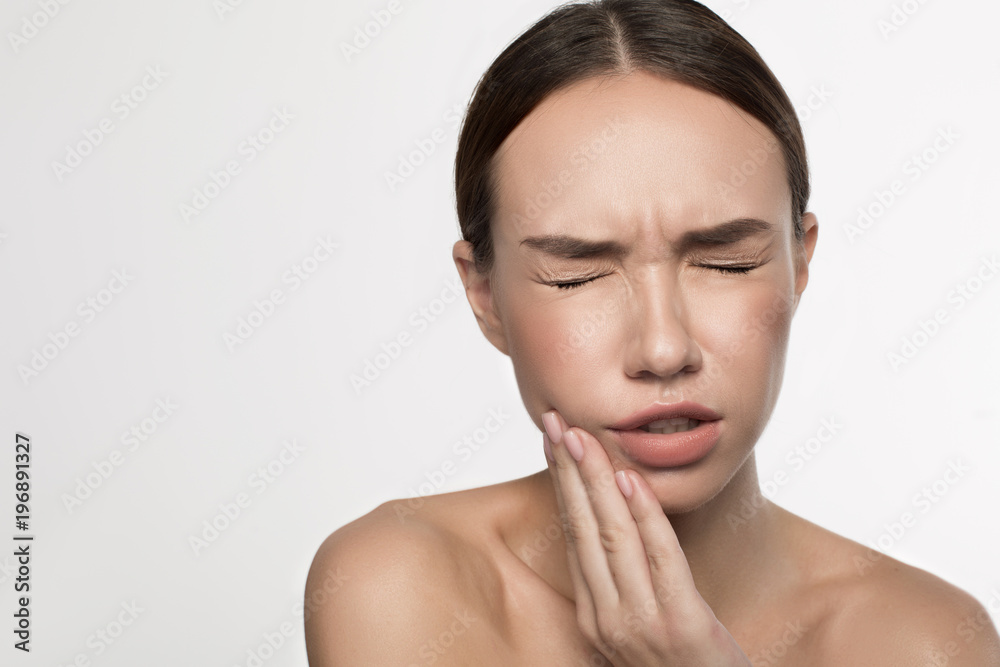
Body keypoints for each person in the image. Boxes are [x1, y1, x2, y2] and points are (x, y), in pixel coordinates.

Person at [305, 0, 1000, 663]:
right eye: (577, 276)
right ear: (483, 295)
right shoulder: (397, 585)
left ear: (798, 264)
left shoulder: (928, 640)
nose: (664, 349)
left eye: (727, 262)